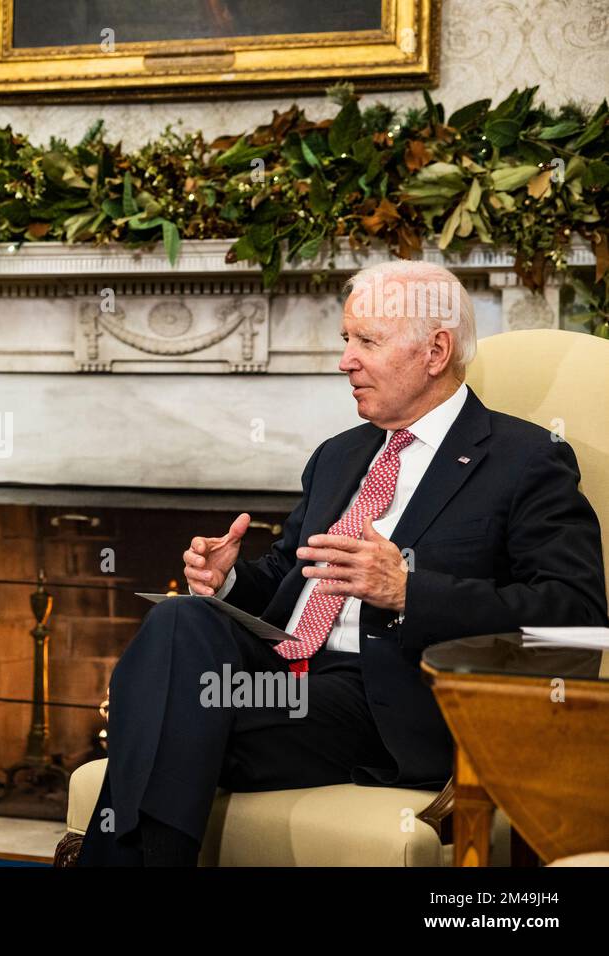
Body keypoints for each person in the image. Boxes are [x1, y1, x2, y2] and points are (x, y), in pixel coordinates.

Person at [78, 259, 608, 866]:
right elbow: (289, 580)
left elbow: (576, 616)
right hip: (285, 678)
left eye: (366, 342)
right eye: (345, 341)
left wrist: (410, 591)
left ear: (435, 351)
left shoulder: (526, 459)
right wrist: (228, 579)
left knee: (156, 718)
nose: (344, 361)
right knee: (181, 622)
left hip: (387, 699)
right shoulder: (338, 456)